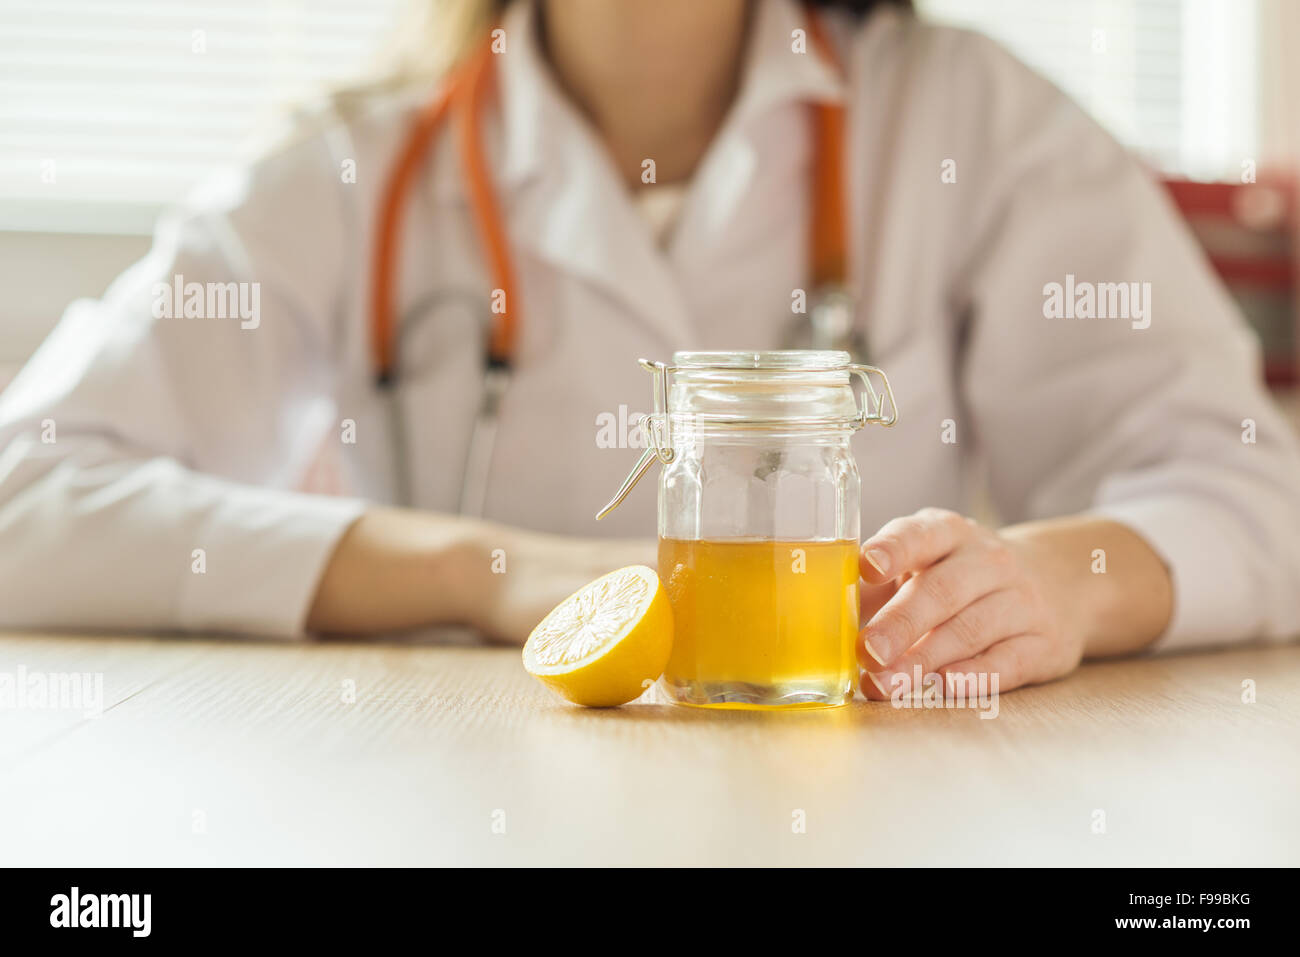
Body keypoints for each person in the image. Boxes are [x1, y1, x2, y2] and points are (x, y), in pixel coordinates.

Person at [1, 0, 1298, 700]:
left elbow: (1254, 490)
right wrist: (486, 573)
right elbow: (25, 495)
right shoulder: (356, 169)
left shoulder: (972, 121)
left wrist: (1055, 585)